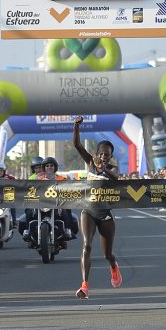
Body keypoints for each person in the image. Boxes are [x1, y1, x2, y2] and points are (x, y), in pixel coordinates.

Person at [71, 116, 122, 299]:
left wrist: (104, 169)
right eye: (100, 153)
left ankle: (114, 267)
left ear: (110, 156)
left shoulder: (113, 169)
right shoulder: (90, 162)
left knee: (107, 254)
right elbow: (77, 144)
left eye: (106, 154)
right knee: (86, 245)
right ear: (96, 153)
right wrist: (76, 126)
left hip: (105, 215)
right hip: (89, 211)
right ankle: (84, 286)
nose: (103, 157)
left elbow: (116, 179)